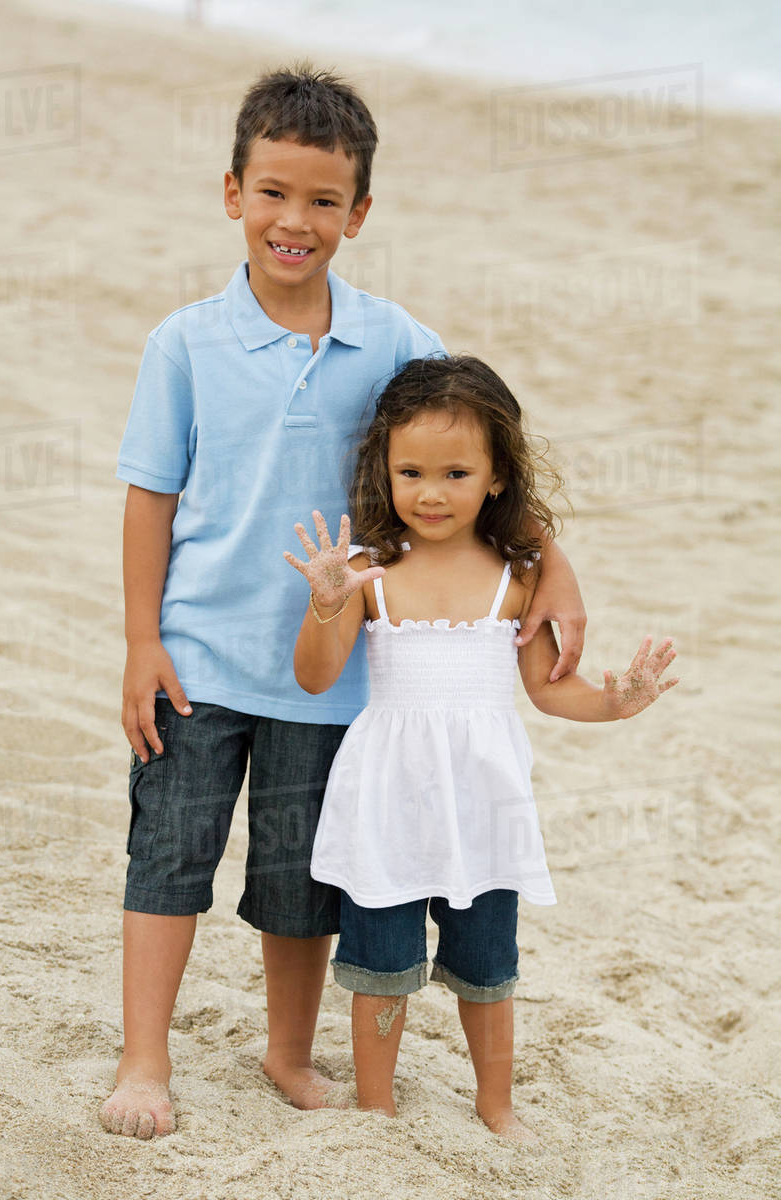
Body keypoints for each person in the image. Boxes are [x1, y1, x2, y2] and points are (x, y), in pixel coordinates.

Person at [101, 68, 587, 1140]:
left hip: (328, 678)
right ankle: (145, 1059)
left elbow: (476, 442)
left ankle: (286, 1049)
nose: (296, 220)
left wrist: (551, 558)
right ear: (232, 191)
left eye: (324, 201)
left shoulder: (393, 338)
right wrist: (141, 641)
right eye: (275, 193)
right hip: (194, 658)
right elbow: (149, 498)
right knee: (169, 855)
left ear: (357, 214)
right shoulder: (183, 342)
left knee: (295, 881)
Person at [284, 355, 678, 1144]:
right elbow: (316, 679)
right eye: (412, 472)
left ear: (498, 478)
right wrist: (327, 604)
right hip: (387, 800)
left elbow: (549, 688)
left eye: (457, 472)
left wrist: (616, 703)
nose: (431, 493)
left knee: (488, 964)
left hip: (484, 804)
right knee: (381, 961)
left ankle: (496, 1104)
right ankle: (376, 1107)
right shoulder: (368, 573)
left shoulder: (519, 576)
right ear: (383, 471)